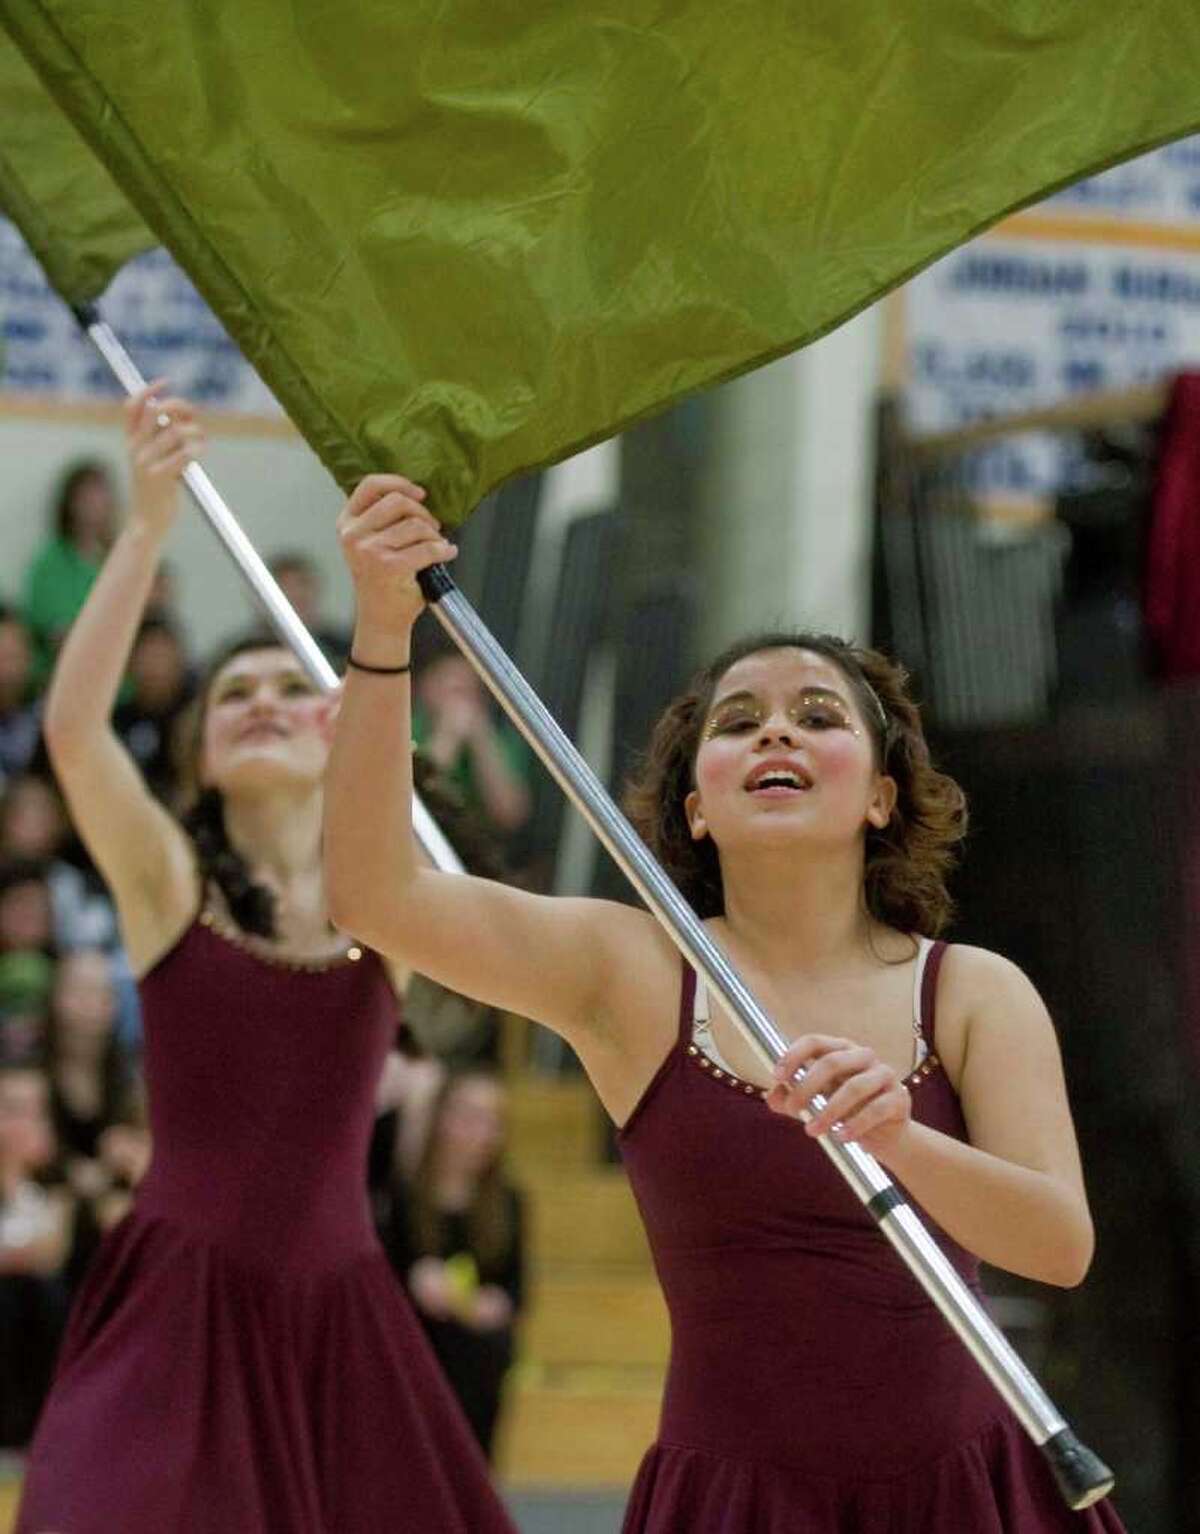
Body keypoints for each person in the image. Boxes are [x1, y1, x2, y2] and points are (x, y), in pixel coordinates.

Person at [326, 474, 1126, 1533]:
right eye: (739, 721)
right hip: (735, 1504)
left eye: (818, 716)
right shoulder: (630, 971)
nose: (776, 735)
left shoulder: (974, 990)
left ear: (881, 792)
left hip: (973, 1495)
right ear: (697, 805)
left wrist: (900, 1138)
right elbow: (373, 895)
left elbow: (1058, 1244)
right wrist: (385, 630)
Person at [15, 394, 517, 1534]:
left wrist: (383, 643)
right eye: (231, 693)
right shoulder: (167, 889)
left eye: (290, 688)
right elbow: (75, 735)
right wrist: (146, 525)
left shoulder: (392, 908)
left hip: (341, 1319)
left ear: (343, 727)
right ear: (195, 750)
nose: (259, 703)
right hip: (178, 1310)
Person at [384, 1069, 524, 1460]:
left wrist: (495, 1303)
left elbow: (516, 1289)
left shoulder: (508, 1201)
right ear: (441, 1118)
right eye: (468, 1115)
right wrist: (414, 1280)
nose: (479, 1131)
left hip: (477, 1353)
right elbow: (378, 1281)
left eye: (491, 1120)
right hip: (415, 1349)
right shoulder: (404, 1195)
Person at [0, 1066, 71, 1449]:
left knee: (45, 1294)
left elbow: (50, 1254)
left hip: (36, 1298)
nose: (22, 1124)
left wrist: (15, 1177)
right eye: (11, 1109)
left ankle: (36, 1432)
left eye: (34, 1111)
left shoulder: (56, 1182)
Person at [23, 459, 119, 678]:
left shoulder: (121, 559)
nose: (95, 505)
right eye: (86, 497)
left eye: (101, 495)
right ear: (69, 503)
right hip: (65, 677)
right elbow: (56, 633)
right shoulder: (49, 564)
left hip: (123, 683)